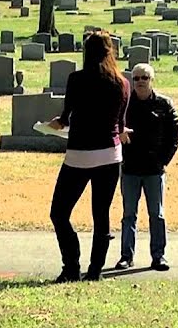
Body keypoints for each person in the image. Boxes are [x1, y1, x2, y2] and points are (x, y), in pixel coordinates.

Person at [48, 30, 130, 282]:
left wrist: (57, 123)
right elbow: (120, 123)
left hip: (80, 154)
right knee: (100, 214)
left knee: (59, 212)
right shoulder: (122, 84)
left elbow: (65, 118)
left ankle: (71, 264)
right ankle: (95, 270)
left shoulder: (77, 79)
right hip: (109, 153)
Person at [116, 63, 178, 272]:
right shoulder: (124, 105)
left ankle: (159, 256)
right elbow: (113, 126)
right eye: (136, 78)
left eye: (144, 78)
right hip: (130, 169)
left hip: (154, 170)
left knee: (157, 214)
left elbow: (175, 133)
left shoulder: (164, 104)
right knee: (129, 215)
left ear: (152, 80)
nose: (140, 82)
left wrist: (164, 160)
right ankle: (126, 256)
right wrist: (119, 134)